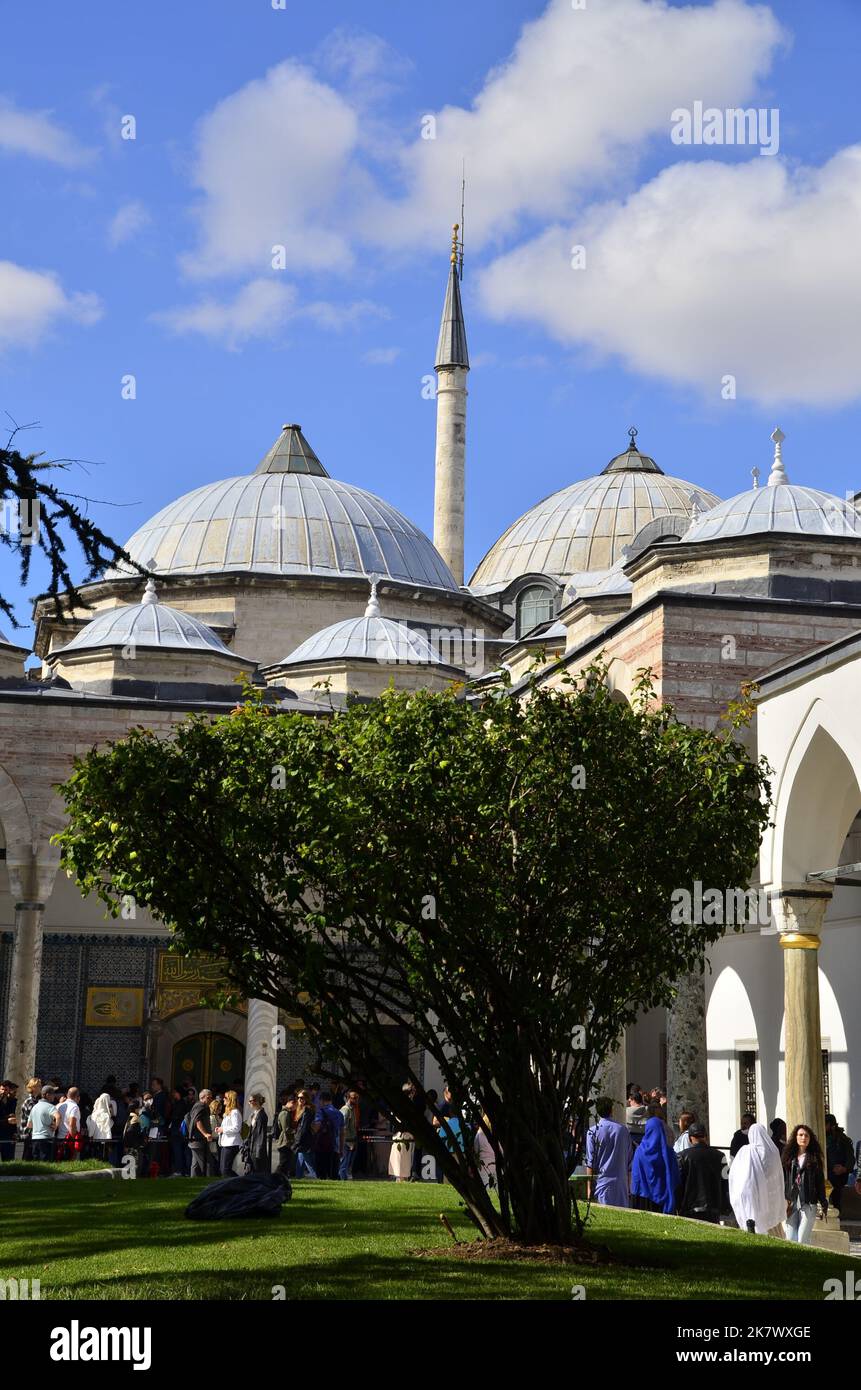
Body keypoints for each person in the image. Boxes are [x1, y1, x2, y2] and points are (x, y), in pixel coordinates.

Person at [728, 1121, 785, 1236]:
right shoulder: (773, 1151)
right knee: (774, 1229)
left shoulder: (748, 1151)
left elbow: (742, 1176)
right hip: (772, 1197)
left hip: (756, 1196)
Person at [783, 1124, 827, 1245]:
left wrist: (823, 1201)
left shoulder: (814, 1158)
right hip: (791, 1202)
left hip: (808, 1202)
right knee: (790, 1238)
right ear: (795, 1137)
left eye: (806, 1135)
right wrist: (784, 1199)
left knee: (802, 1239)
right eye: (801, 1135)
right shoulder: (789, 1158)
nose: (803, 1138)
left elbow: (819, 1182)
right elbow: (785, 1180)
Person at [585, 1097, 632, 1207]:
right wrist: (629, 1186)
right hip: (621, 1184)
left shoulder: (592, 1132)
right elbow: (629, 1161)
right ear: (612, 1110)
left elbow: (590, 1162)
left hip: (602, 1182)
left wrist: (588, 1188)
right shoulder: (623, 1130)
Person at [676, 1122, 725, 1223]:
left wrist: (677, 1205)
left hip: (689, 1207)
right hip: (713, 1207)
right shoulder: (720, 1156)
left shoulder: (682, 1156)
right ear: (706, 1137)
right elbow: (725, 1182)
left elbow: (678, 1184)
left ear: (690, 1138)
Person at [631, 1115, 679, 1213]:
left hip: (643, 1197)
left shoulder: (640, 1151)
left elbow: (636, 1177)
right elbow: (676, 1176)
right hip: (664, 1196)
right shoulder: (669, 1152)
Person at [824, 1114, 855, 1213]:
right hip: (825, 1172)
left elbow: (850, 1157)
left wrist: (844, 1169)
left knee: (836, 1198)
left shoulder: (843, 1139)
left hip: (838, 1176)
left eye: (826, 1124)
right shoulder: (822, 1138)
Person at [314, 1090, 344, 1179]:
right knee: (333, 1174)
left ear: (321, 1100)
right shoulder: (339, 1113)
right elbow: (342, 1132)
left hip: (321, 1146)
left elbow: (317, 1126)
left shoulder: (320, 1112)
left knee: (321, 1174)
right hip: (335, 1147)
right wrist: (341, 1149)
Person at [186, 1088, 214, 1177]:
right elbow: (197, 1121)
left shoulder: (197, 1105)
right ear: (202, 1097)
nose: (210, 1100)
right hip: (198, 1140)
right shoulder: (201, 1106)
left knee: (195, 1165)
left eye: (211, 1098)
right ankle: (208, 1182)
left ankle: (193, 1181)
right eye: (209, 1098)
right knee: (207, 1163)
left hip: (195, 1140)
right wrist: (205, 1134)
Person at [27, 1086, 60, 1162]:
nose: (54, 1096)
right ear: (47, 1095)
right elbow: (58, 1116)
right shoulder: (51, 1107)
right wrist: (56, 1126)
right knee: (45, 1164)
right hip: (46, 1139)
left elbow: (29, 1125)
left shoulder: (34, 1107)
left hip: (35, 1139)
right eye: (53, 1094)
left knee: (37, 1164)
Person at [292, 1089, 318, 1178]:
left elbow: (303, 1128)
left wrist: (297, 1141)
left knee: (308, 1161)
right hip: (305, 1139)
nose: (299, 1099)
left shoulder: (306, 1111)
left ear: (306, 1098)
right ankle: (298, 1177)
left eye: (302, 1098)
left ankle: (316, 1177)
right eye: (298, 1097)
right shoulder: (303, 1110)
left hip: (304, 1139)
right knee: (301, 1159)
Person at [216, 1090, 243, 1177]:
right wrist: (220, 1129)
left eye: (225, 1098)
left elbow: (236, 1128)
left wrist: (223, 1129)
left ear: (230, 1099)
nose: (223, 1099)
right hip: (226, 1143)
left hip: (232, 1143)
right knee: (223, 1169)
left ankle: (240, 1183)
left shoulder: (235, 1112)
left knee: (225, 1169)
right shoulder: (229, 1112)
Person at [86, 1085, 116, 1162]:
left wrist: (90, 1135)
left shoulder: (95, 1113)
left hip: (96, 1139)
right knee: (103, 1157)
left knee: (97, 1156)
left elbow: (92, 1126)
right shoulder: (107, 1115)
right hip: (105, 1141)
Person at [18, 1077, 42, 1160]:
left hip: (34, 1133)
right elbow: (31, 1119)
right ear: (33, 1087)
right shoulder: (30, 1101)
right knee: (28, 1155)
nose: (40, 1088)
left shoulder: (37, 1100)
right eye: (38, 1086)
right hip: (28, 1133)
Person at [339, 1089, 360, 1180]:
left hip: (350, 1140)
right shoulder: (346, 1110)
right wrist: (346, 1141)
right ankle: (342, 1179)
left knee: (347, 1162)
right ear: (348, 1098)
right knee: (344, 1163)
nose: (356, 1100)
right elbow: (343, 1127)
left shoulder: (352, 1109)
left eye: (357, 1098)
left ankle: (343, 1178)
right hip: (346, 1141)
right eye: (354, 1098)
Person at [246, 1093, 270, 1174]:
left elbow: (261, 1134)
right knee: (252, 1169)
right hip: (252, 1145)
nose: (249, 1103)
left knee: (258, 1169)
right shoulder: (254, 1114)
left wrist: (259, 1150)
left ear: (256, 1101)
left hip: (257, 1147)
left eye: (250, 1101)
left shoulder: (262, 1115)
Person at [274, 1093, 297, 1178]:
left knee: (286, 1163)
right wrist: (296, 1131)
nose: (296, 1107)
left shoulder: (287, 1113)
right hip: (285, 1142)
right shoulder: (285, 1113)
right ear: (291, 1102)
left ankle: (280, 1177)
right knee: (283, 1163)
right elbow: (285, 1129)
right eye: (296, 1104)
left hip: (287, 1142)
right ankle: (276, 1177)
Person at [56, 1086, 82, 1159]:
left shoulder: (59, 1105)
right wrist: (74, 1139)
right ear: (78, 1097)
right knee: (69, 1161)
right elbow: (72, 1124)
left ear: (67, 1095)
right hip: (69, 1140)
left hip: (59, 1138)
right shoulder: (74, 1107)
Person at [0, 1081, 18, 1161]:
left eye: (6, 1090)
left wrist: (14, 1133)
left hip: (8, 1134)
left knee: (8, 1159)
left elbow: (13, 1118)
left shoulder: (11, 1102)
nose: (3, 1092)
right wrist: (7, 1120)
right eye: (2, 1089)